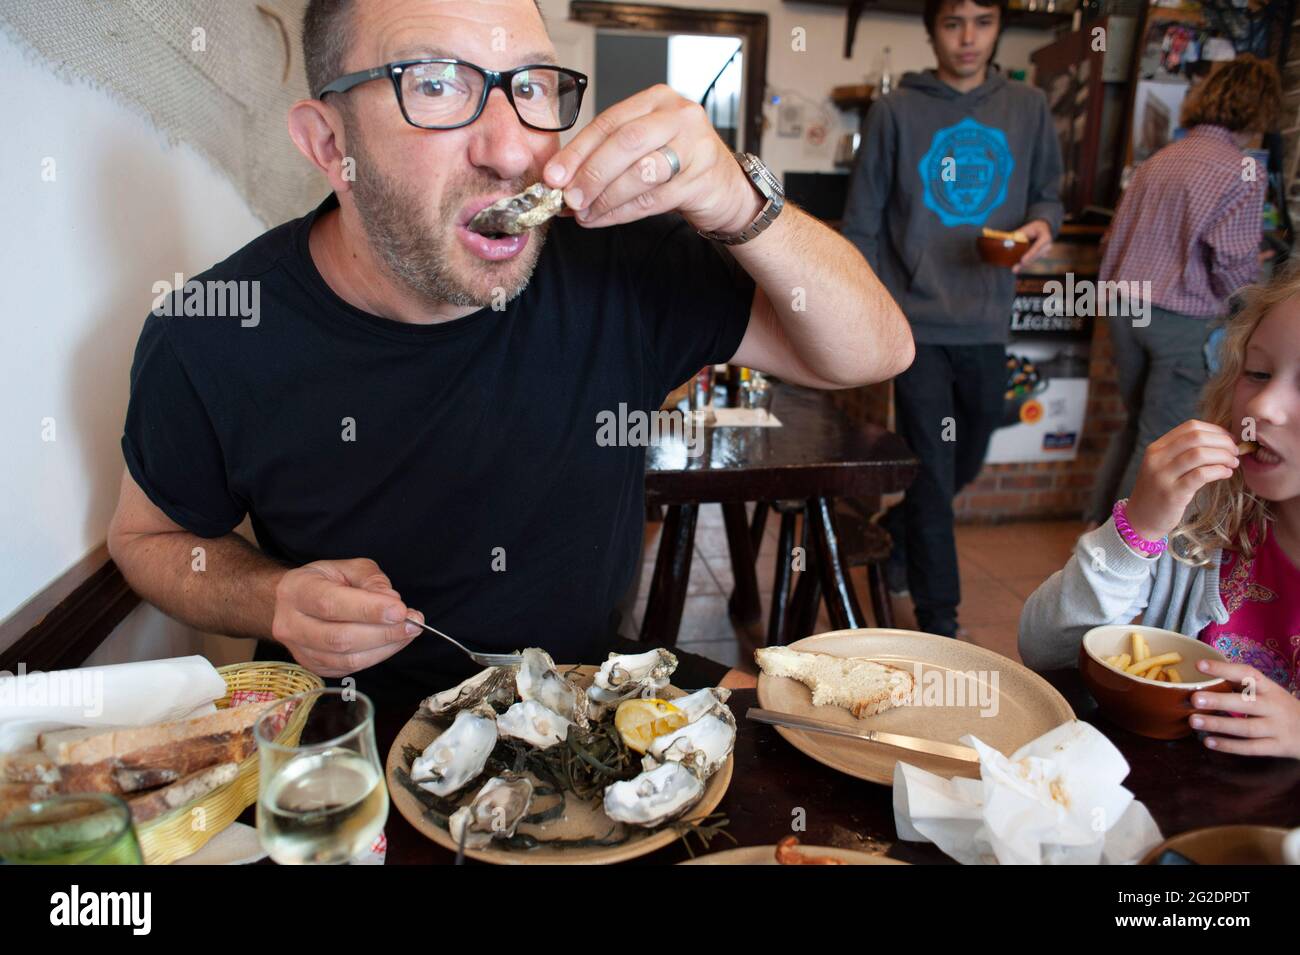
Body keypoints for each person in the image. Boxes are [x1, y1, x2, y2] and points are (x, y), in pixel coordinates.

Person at [105, 0, 914, 706]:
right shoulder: (213, 332)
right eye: (433, 83)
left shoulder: (618, 261)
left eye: (529, 87)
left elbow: (875, 349)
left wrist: (737, 198)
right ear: (327, 142)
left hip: (594, 712)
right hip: (355, 753)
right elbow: (146, 540)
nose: (510, 147)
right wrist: (273, 597)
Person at [842, 0, 1063, 637]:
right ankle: (942, 620)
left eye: (983, 21)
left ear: (998, 28)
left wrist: (1041, 228)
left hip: (988, 319)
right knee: (936, 471)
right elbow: (862, 223)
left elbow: (1048, 193)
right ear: (932, 30)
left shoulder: (1029, 108)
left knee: (965, 460)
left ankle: (891, 540)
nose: (968, 38)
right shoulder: (894, 112)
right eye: (953, 22)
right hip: (915, 326)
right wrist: (876, 310)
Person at [1020, 264, 1300, 759]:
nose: (1266, 406)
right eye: (1256, 373)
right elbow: (1044, 649)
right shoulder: (1205, 526)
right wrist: (1137, 532)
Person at [1084, 55, 1281, 526]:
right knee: (1161, 437)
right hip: (1181, 317)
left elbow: (1113, 239)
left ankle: (1094, 528)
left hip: (1125, 309)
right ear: (1259, 108)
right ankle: (1126, 553)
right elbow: (1230, 262)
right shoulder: (1243, 171)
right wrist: (1255, 280)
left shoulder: (1159, 158)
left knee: (1135, 425)